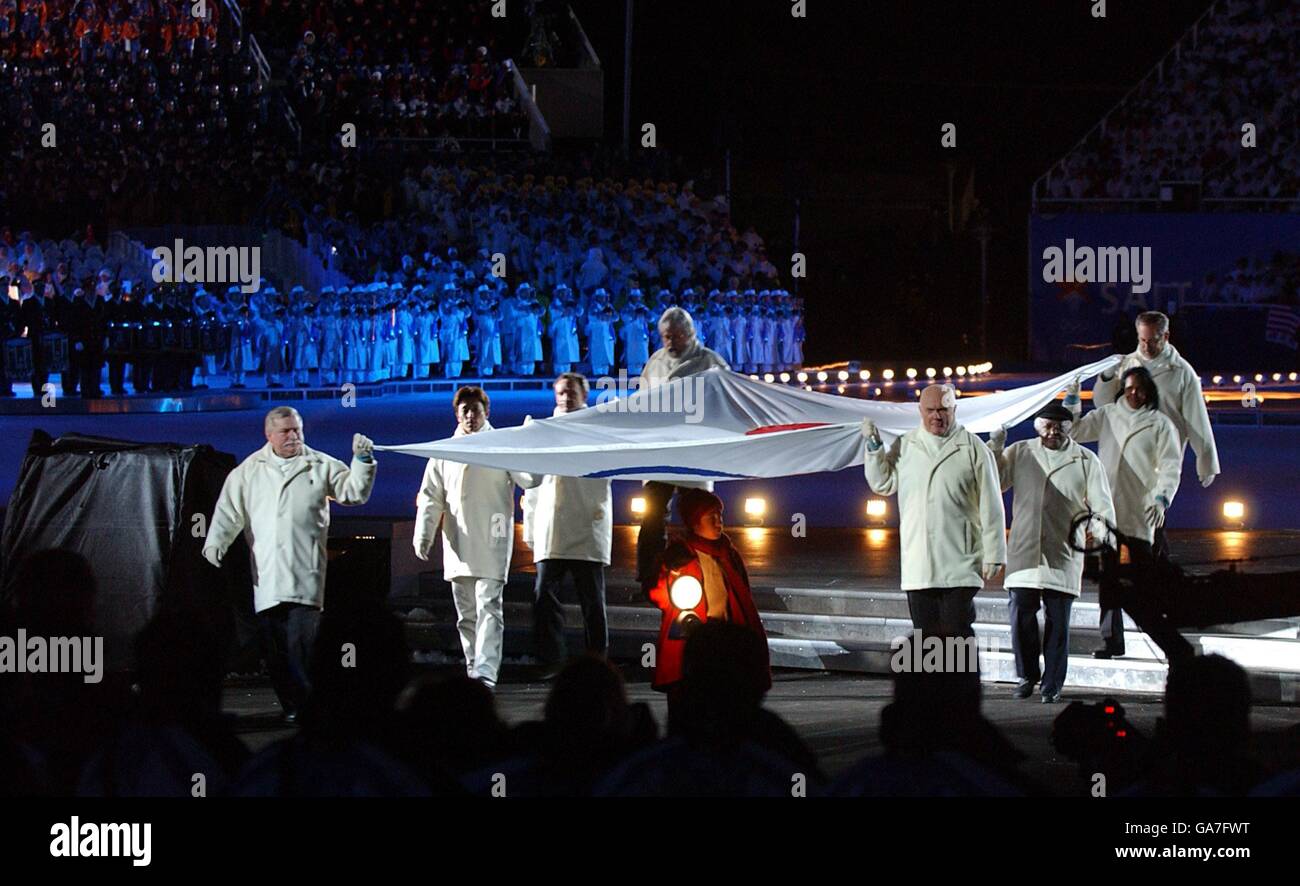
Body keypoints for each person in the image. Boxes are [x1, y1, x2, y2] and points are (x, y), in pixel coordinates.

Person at [202, 407, 377, 721]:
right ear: (269, 434)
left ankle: (311, 707)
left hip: (305, 574)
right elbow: (229, 511)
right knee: (275, 650)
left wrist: (362, 461)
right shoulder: (248, 472)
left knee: (302, 645)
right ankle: (293, 706)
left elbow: (353, 493)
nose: (293, 436)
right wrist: (216, 542)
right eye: (285, 431)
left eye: (297, 429)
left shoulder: (320, 464)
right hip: (267, 576)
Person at [413, 386, 540, 689]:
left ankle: (485, 672)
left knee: (489, 606)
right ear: (457, 414)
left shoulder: (501, 445)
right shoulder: (444, 451)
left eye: (476, 409)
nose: (471, 415)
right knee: (467, 614)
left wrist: (530, 443)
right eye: (465, 410)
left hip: (493, 539)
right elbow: (431, 496)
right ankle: (473, 668)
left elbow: (529, 479)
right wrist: (424, 535)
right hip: (458, 542)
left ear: (487, 412)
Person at [988, 402, 1115, 703]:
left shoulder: (1086, 460)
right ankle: (1027, 674)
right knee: (1021, 613)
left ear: (1069, 428)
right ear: (1038, 427)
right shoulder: (1020, 452)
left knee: (1058, 621)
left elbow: (1102, 505)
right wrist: (995, 446)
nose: (1053, 431)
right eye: (1047, 425)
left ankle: (1052, 683)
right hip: (1025, 548)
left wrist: (1104, 539)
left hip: (1063, 549)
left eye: (1060, 426)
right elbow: (995, 481)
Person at [862, 384, 1006, 640]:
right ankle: (930, 670)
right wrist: (874, 448)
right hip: (920, 561)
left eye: (943, 410)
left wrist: (994, 553)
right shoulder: (906, 444)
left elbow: (991, 503)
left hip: (960, 559)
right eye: (930, 410)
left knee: (957, 630)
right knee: (925, 634)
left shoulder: (974, 448)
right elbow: (883, 484)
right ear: (920, 411)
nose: (936, 416)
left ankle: (960, 669)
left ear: (954, 410)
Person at [1068, 366, 1181, 658]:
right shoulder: (1108, 415)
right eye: (1129, 388)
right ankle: (1111, 640)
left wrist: (1162, 499)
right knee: (1108, 580)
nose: (1134, 394)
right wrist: (1073, 398)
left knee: (1143, 579)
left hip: (1140, 510)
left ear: (1148, 391)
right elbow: (1075, 431)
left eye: (1139, 389)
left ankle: (1163, 638)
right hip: (1107, 510)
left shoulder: (1160, 424)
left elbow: (1170, 466)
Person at [1091, 310, 1219, 557]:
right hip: (1127, 448)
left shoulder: (1181, 372)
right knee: (1123, 510)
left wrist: (1206, 460)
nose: (1146, 346)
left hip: (1161, 450)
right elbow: (1103, 404)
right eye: (1142, 340)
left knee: (1154, 505)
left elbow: (1196, 418)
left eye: (1152, 340)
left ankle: (1154, 563)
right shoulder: (1127, 364)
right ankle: (1127, 564)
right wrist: (1106, 377)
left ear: (1166, 336)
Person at [635, 306, 731, 596]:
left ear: (691, 334)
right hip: (661, 450)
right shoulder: (655, 362)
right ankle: (649, 578)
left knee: (700, 517)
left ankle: (708, 574)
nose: (671, 342)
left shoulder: (710, 362)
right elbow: (641, 401)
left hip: (694, 451)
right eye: (666, 336)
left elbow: (727, 401)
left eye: (676, 336)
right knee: (652, 517)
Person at [521, 373, 613, 678]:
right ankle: (552, 660)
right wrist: (530, 528)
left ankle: (597, 662)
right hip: (553, 529)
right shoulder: (543, 430)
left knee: (593, 603)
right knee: (544, 597)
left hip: (588, 524)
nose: (565, 397)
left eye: (571, 392)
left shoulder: (599, 430)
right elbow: (531, 482)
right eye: (561, 392)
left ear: (584, 395)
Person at [646, 488, 769, 702]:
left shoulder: (728, 553)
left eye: (719, 515)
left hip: (726, 635)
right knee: (691, 695)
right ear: (695, 522)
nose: (718, 521)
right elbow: (658, 595)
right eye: (711, 516)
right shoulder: (680, 555)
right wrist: (669, 573)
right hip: (694, 637)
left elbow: (743, 595)